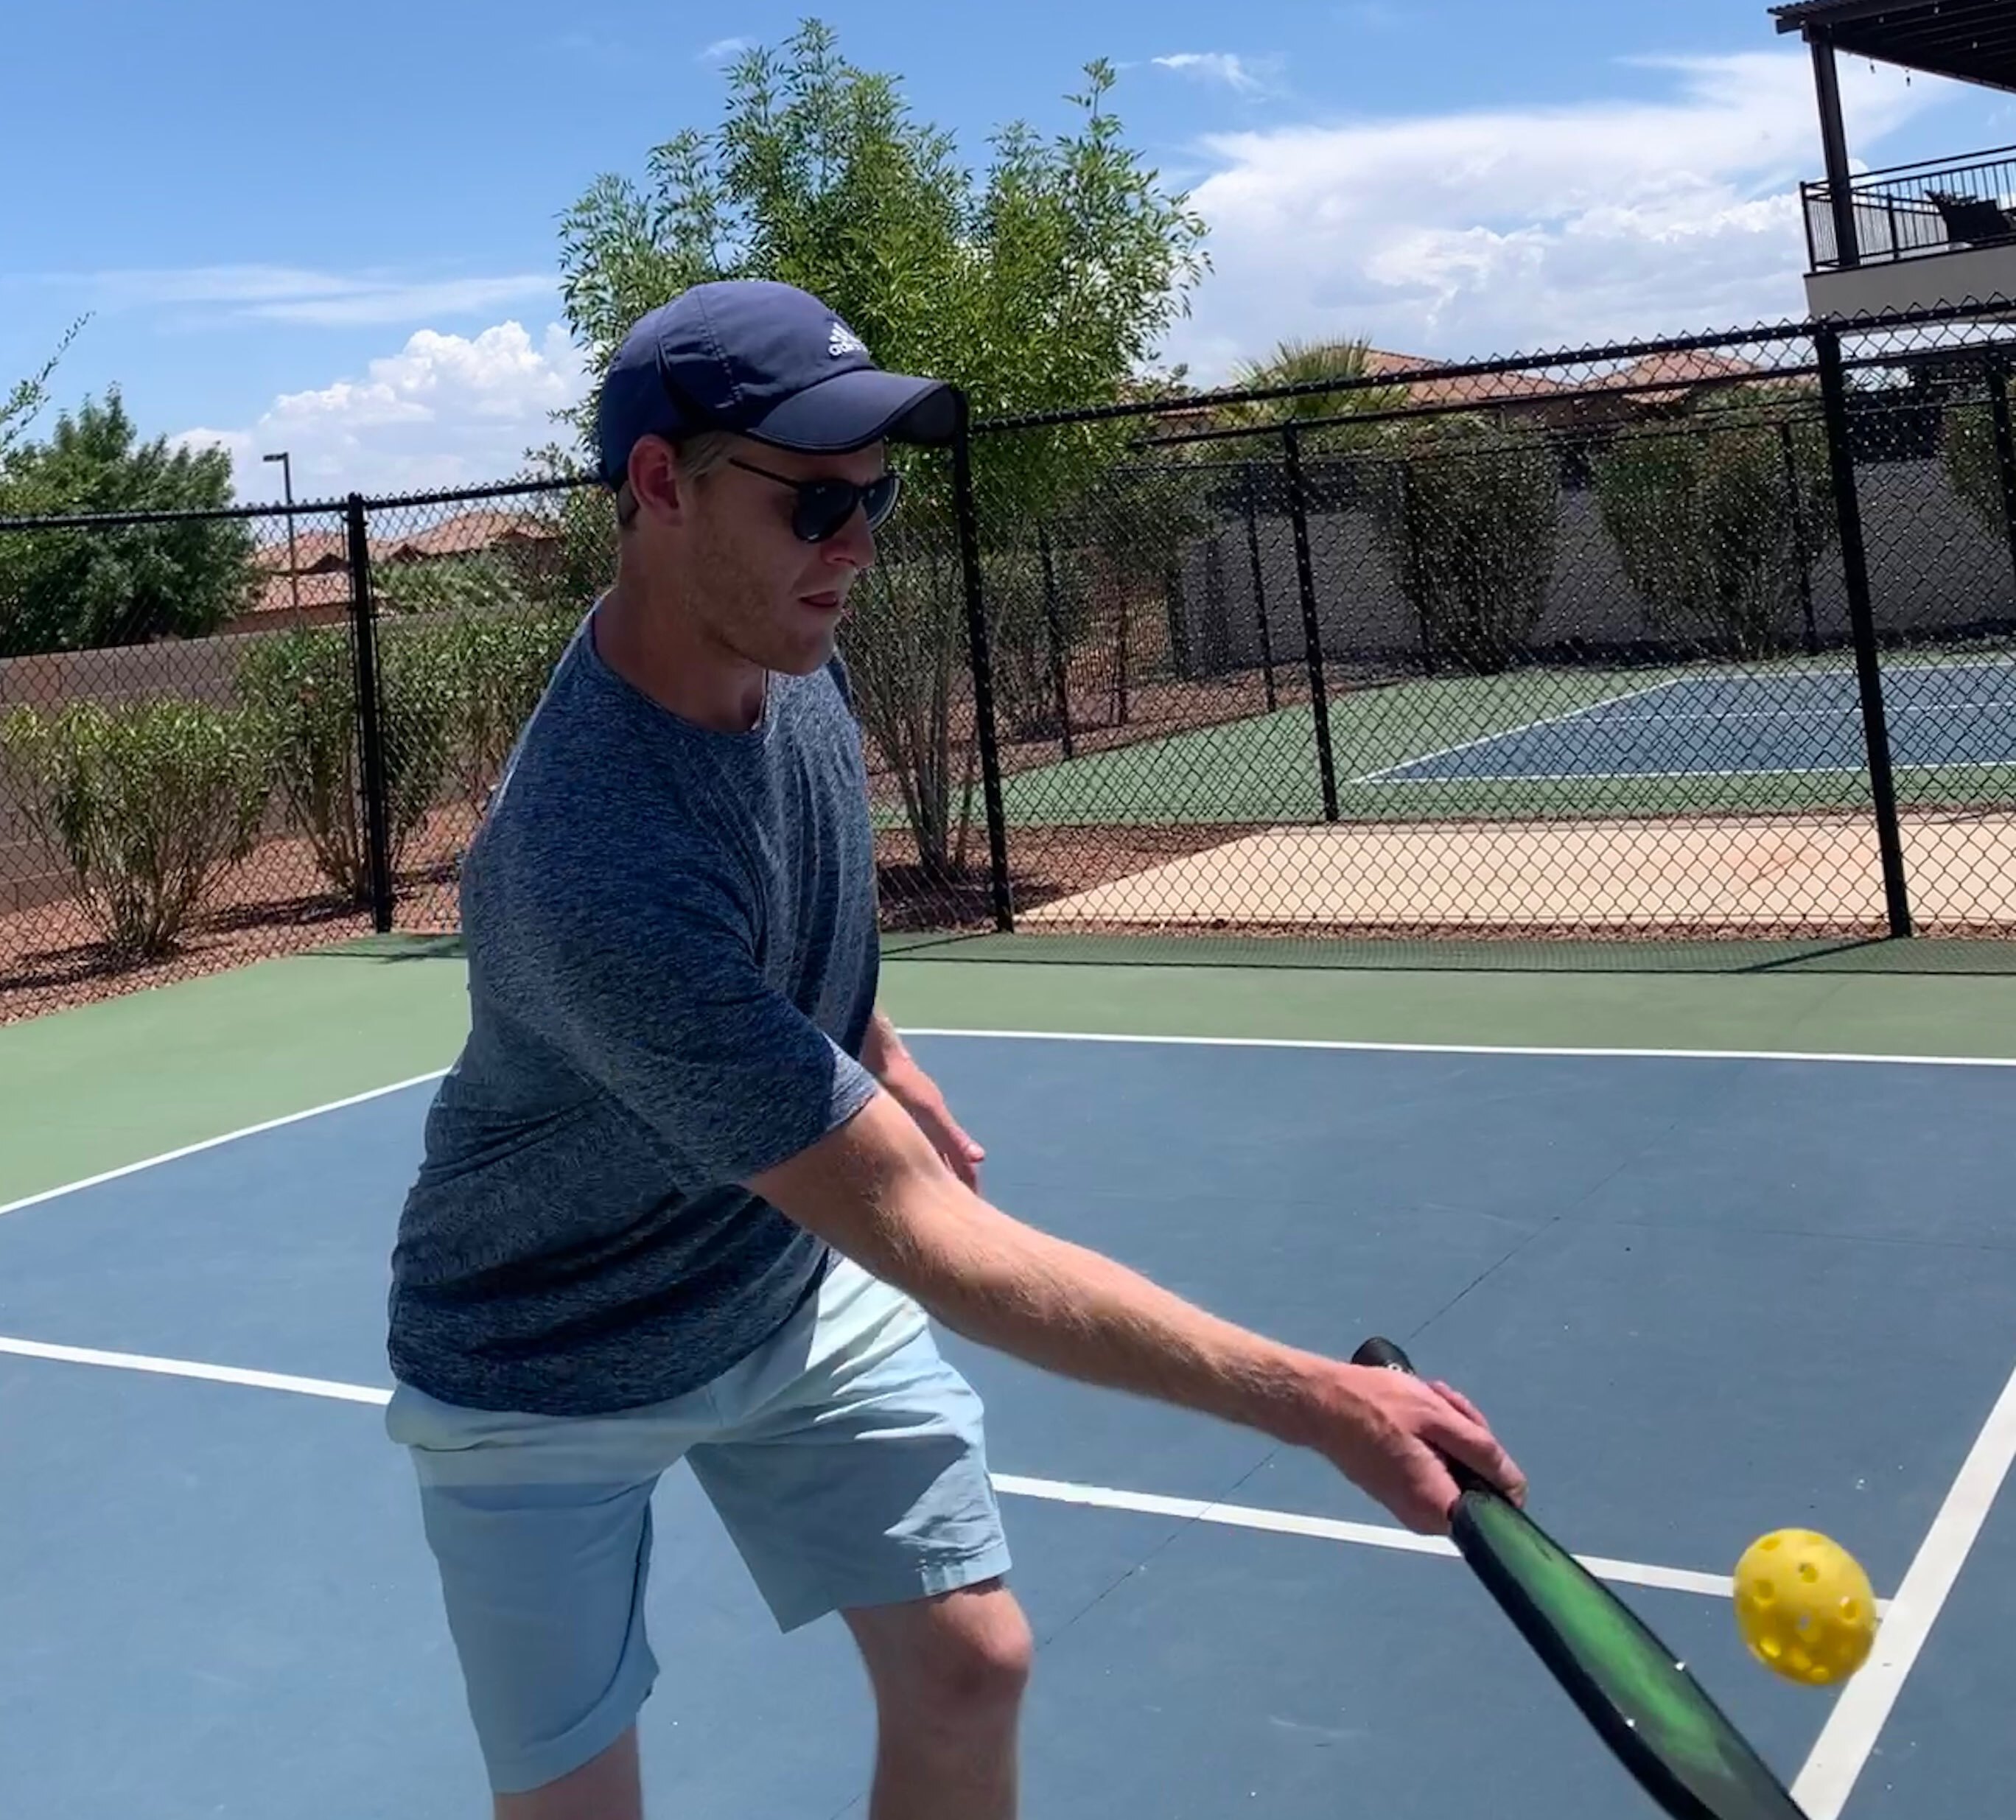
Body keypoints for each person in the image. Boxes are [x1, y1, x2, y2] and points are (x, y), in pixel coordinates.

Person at [383, 278, 1527, 1820]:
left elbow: (792, 914)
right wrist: (1311, 1397)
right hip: (542, 1359)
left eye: (878, 495)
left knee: (971, 1662)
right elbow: (929, 1233)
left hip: (772, 1291)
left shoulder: (789, 647)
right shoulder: (593, 868)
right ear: (660, 485)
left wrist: (876, 1040)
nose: (855, 544)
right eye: (813, 502)